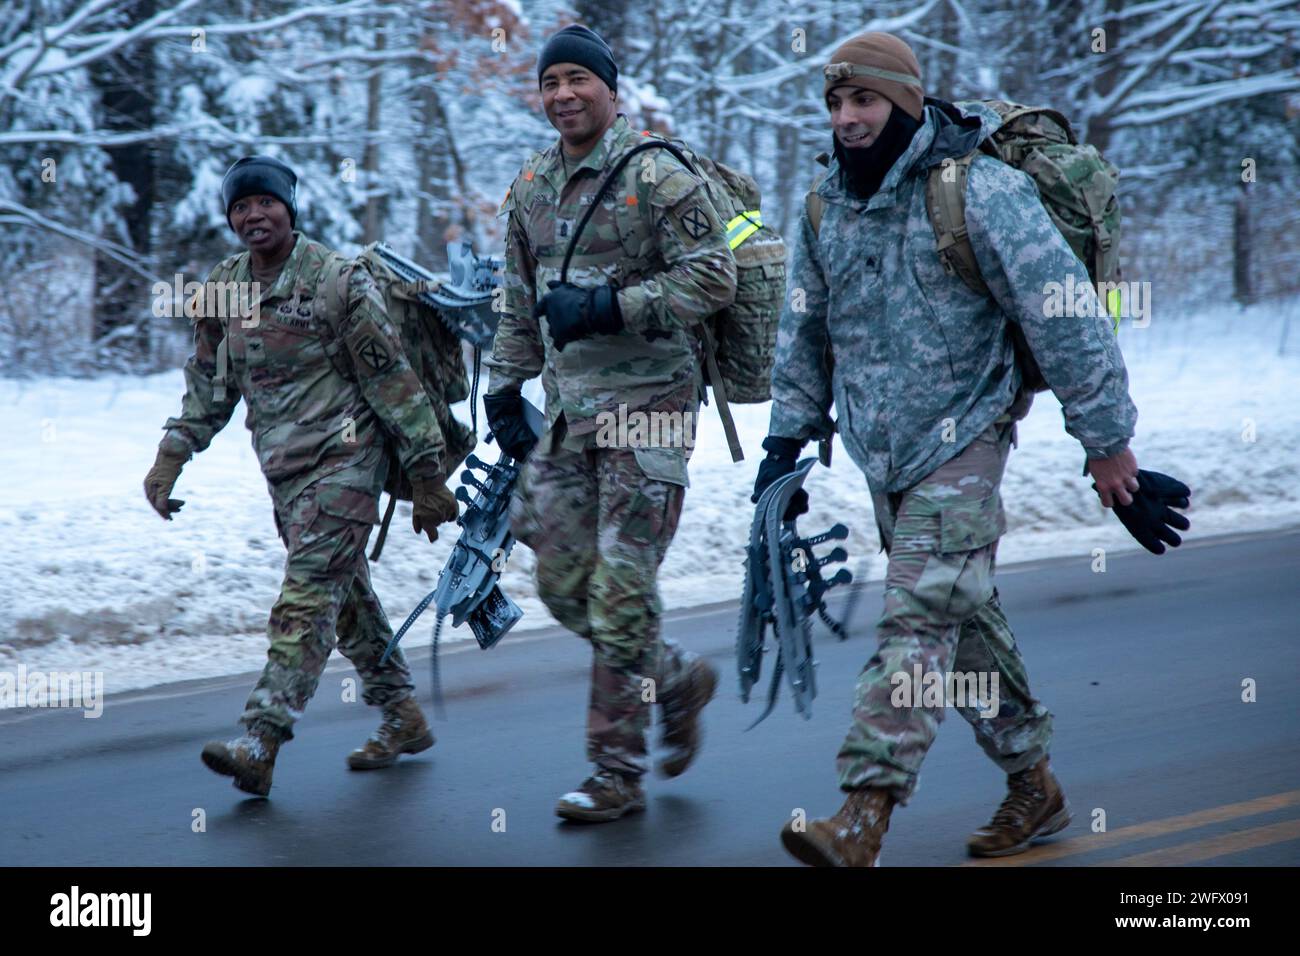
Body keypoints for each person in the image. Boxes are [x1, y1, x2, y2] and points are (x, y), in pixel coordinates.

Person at [757, 33, 1142, 865]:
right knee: (958, 623)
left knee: (919, 614)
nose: (848, 118)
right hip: (881, 453)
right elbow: (804, 329)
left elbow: (1066, 318)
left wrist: (1106, 443)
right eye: (834, 103)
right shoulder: (825, 202)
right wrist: (786, 439)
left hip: (965, 436)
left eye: (863, 99)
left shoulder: (980, 189)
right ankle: (1032, 779)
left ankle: (864, 813)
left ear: (904, 99)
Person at [483, 25, 737, 822]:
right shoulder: (530, 186)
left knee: (622, 588)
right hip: (568, 418)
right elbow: (516, 302)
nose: (563, 95)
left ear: (609, 89)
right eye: (550, 81)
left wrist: (609, 306)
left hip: (652, 410)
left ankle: (614, 772)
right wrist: (502, 393)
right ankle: (676, 674)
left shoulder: (655, 174)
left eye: (577, 80)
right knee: (563, 584)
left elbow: (715, 276)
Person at [143, 155, 459, 796]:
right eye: (239, 207)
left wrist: (426, 475)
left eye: (266, 203)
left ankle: (261, 737)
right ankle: (401, 713)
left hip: (349, 460)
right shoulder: (224, 290)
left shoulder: (337, 282)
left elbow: (392, 380)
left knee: (307, 597)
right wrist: (172, 455)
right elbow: (208, 386)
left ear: (290, 208)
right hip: (285, 471)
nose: (253, 215)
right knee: (345, 600)